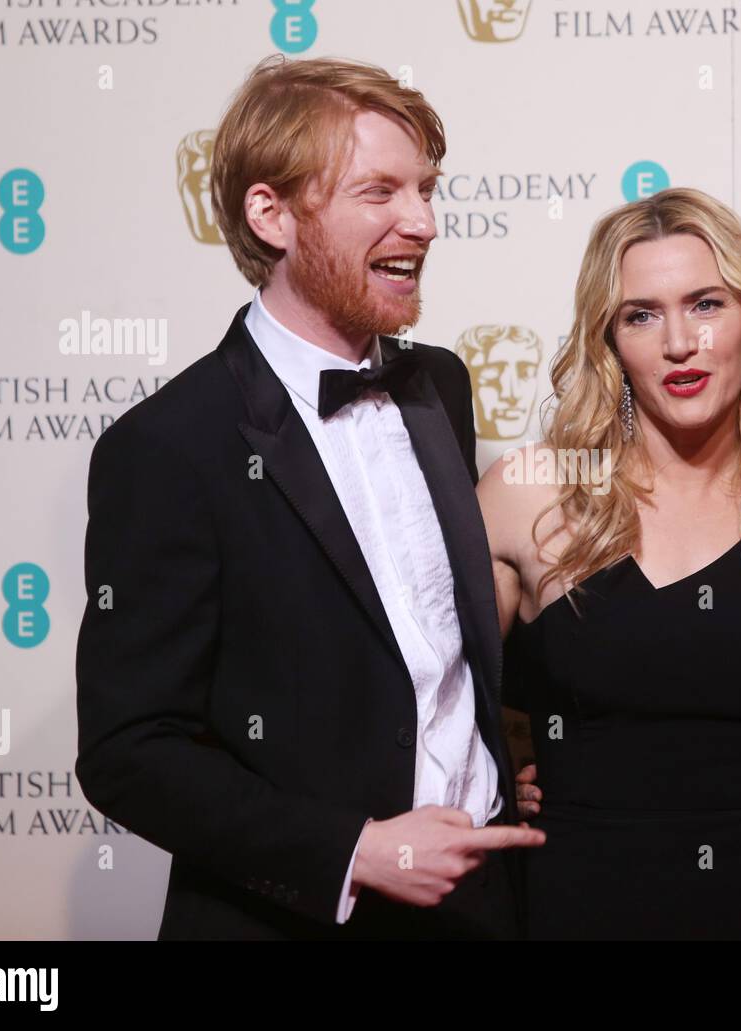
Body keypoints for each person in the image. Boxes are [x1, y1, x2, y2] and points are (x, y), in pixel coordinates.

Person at [74, 55, 542, 941]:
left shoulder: (439, 385)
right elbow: (130, 751)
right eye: (381, 192)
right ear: (272, 212)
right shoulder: (168, 448)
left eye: (427, 189)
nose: (425, 221)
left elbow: (431, 655)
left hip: (484, 903)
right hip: (301, 913)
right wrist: (355, 850)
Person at [478, 187, 741, 939]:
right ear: (609, 342)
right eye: (641, 314)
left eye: (706, 304)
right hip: (579, 907)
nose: (679, 342)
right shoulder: (527, 497)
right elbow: (420, 700)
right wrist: (490, 785)